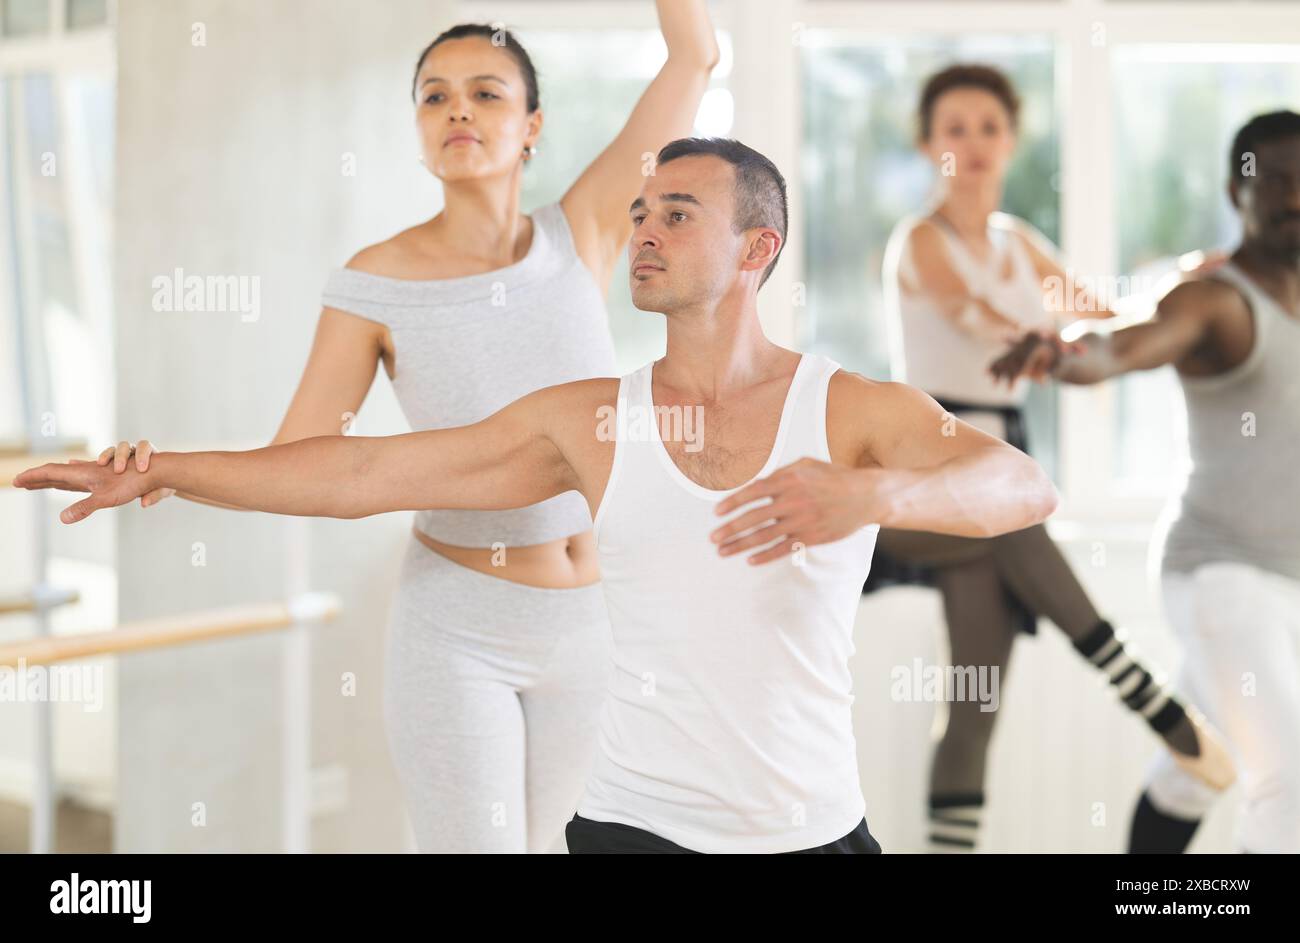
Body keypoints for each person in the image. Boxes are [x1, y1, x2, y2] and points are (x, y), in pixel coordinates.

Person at [16, 137, 1060, 854]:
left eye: (677, 214)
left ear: (756, 249)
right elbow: (364, 472)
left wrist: (870, 494)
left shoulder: (849, 408)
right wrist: (166, 471)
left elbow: (1019, 483)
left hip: (811, 830)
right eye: (639, 211)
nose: (644, 230)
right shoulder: (586, 419)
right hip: (628, 829)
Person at [94, 9, 721, 853]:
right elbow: (305, 464)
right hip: (460, 632)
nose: (457, 110)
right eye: (435, 97)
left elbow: (695, 54)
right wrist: (167, 468)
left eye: (486, 93)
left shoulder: (590, 229)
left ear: (532, 126)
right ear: (419, 129)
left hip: (597, 624)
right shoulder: (373, 283)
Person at [870, 64, 1233, 852]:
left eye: (989, 128)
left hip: (997, 474)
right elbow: (977, 319)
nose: (972, 145)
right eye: (954, 129)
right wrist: (1039, 341)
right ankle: (1150, 699)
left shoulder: (1015, 242)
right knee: (1010, 515)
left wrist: (1187, 280)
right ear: (928, 144)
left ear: (1011, 140)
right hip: (923, 477)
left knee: (973, 705)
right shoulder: (920, 240)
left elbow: (1107, 314)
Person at [990, 110, 1300, 855]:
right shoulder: (1215, 300)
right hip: (1224, 571)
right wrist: (1065, 356)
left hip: (1288, 580)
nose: (1295, 197)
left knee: (1200, 771)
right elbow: (1122, 347)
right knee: (1287, 783)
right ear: (1239, 190)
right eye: (1278, 180)